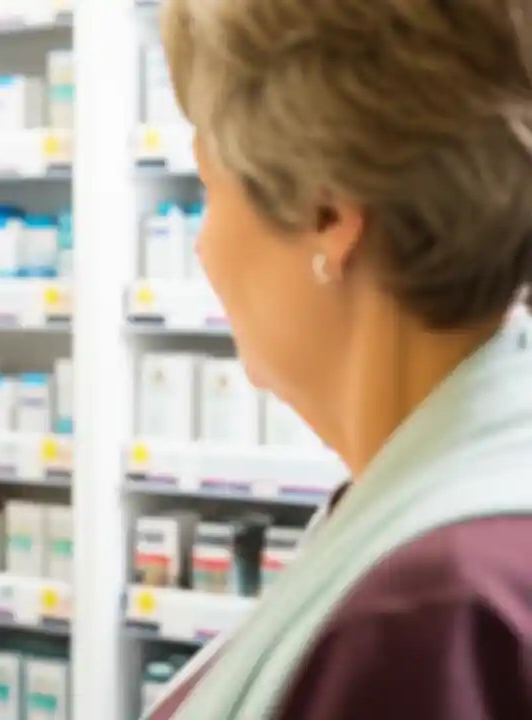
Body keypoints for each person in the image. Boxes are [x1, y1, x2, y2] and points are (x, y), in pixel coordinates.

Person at [147, 0, 532, 718]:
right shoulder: (458, 494)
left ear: (327, 214)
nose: (201, 248)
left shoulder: (426, 615)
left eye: (210, 189)